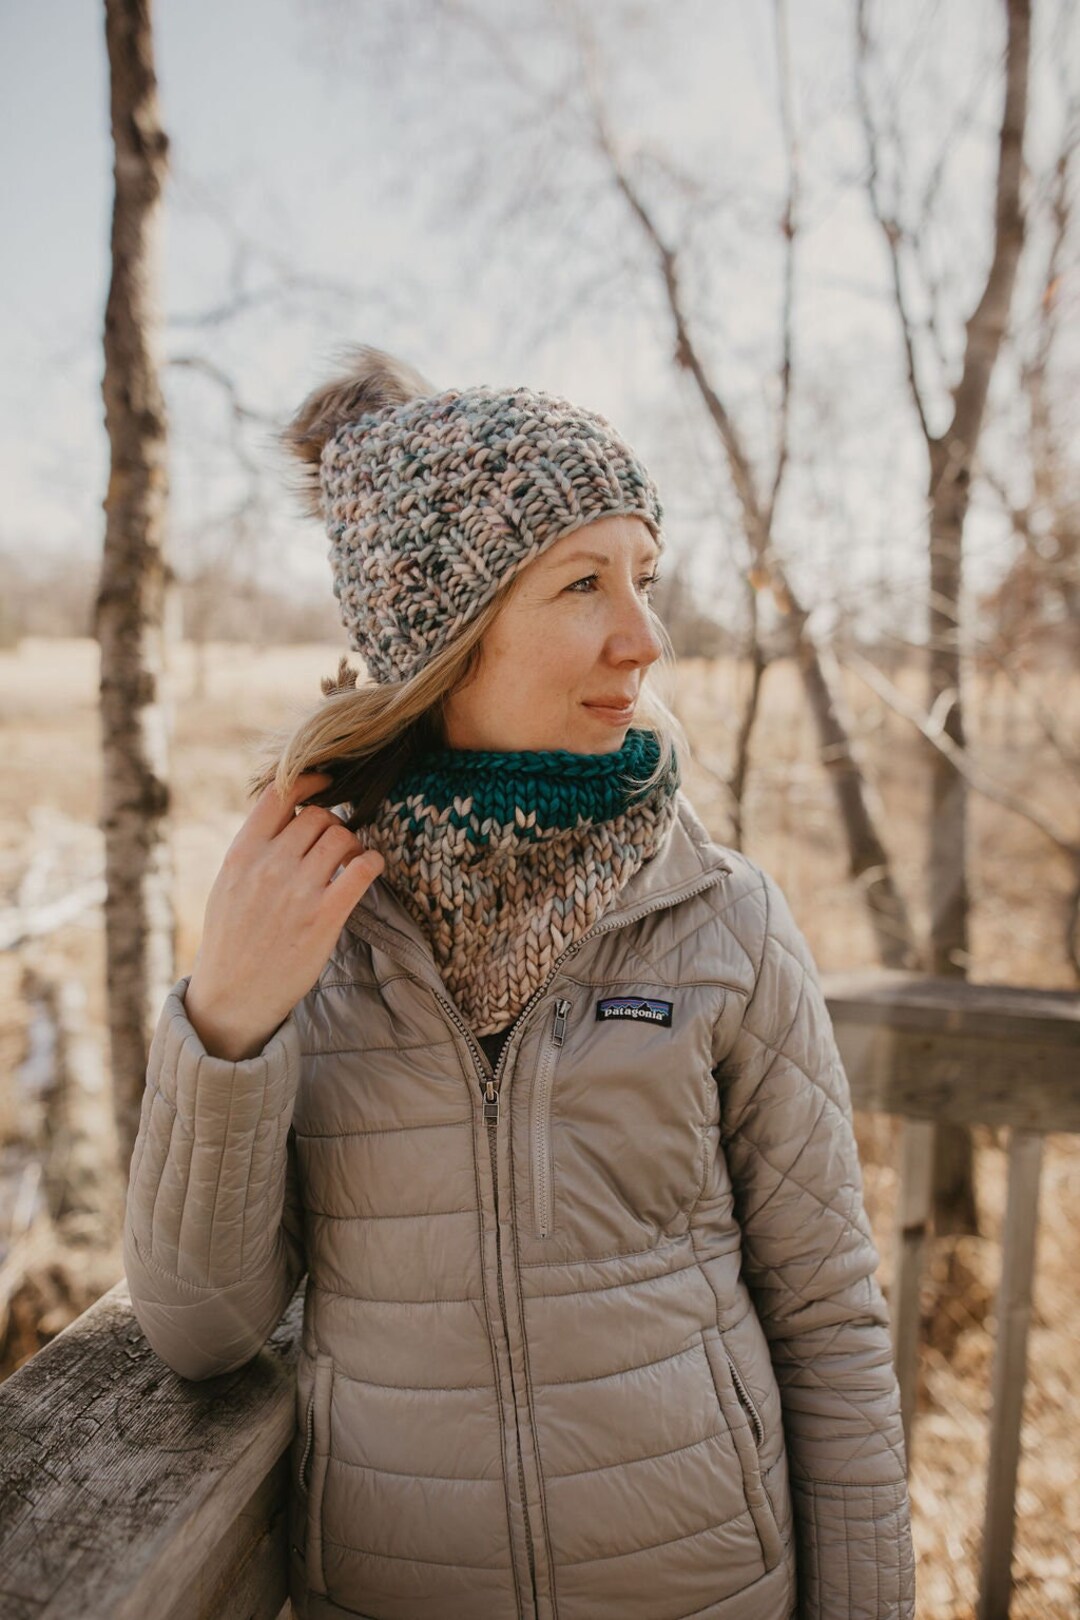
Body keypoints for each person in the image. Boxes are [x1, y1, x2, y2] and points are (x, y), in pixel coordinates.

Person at [123, 346, 915, 1620]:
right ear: (447, 629)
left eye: (645, 578)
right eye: (584, 583)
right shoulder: (308, 917)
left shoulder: (721, 915)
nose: (645, 636)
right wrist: (225, 1020)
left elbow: (830, 1320)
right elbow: (200, 1329)